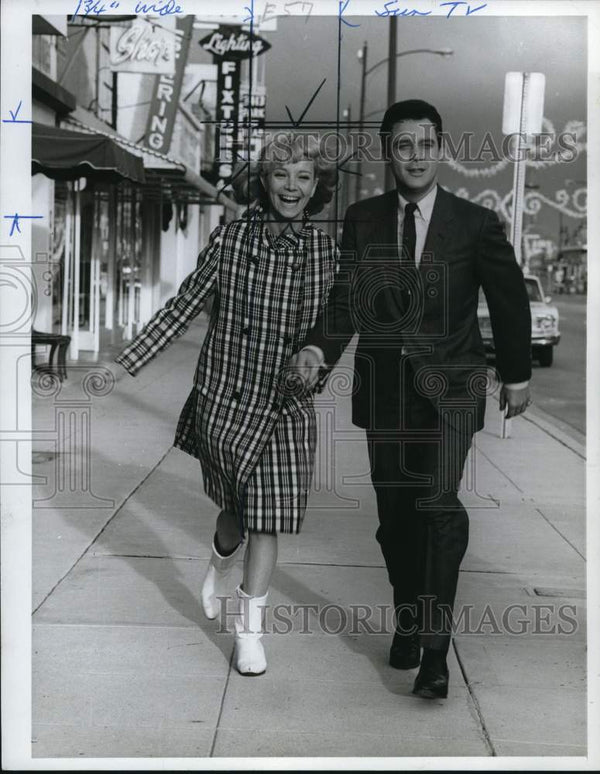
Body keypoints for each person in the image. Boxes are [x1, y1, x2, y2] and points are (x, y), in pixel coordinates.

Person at [290, 100, 532, 699]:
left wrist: (518, 375)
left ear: (440, 148)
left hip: (453, 390)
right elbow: (347, 300)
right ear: (388, 151)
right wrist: (320, 351)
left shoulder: (474, 224)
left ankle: (434, 652)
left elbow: (507, 300)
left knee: (438, 507)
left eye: (426, 144)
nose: (416, 156)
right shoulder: (364, 219)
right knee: (396, 521)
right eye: (403, 145)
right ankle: (405, 617)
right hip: (386, 392)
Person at [115, 133, 338, 676]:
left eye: (303, 178)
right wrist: (124, 362)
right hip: (227, 396)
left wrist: (314, 364)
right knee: (236, 516)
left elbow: (326, 330)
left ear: (316, 187)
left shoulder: (324, 250)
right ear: (263, 180)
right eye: (281, 175)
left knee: (268, 519)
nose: (291, 187)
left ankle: (249, 631)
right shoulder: (231, 239)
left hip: (285, 404)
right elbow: (182, 306)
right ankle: (218, 561)